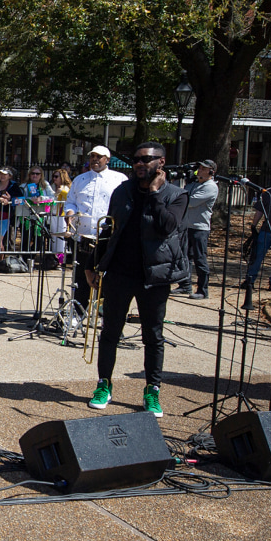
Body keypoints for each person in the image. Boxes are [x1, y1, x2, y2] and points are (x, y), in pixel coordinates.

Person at [87, 142, 189, 418]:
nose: (140, 164)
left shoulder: (176, 195)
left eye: (146, 159)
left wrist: (154, 192)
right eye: (136, 160)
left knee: (153, 336)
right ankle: (103, 384)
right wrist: (93, 263)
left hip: (154, 277)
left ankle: (152, 390)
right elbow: (109, 229)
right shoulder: (123, 191)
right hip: (119, 273)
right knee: (110, 332)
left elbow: (168, 226)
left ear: (161, 162)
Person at [65, 145, 128, 309]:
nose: (95, 159)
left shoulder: (119, 179)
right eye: (92, 156)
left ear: (107, 159)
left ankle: (104, 317)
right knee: (81, 278)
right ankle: (79, 312)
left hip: (107, 237)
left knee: (108, 279)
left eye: (99, 157)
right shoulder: (80, 179)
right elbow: (71, 201)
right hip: (84, 236)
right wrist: (70, 212)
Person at [175, 159, 219, 300]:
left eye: (203, 168)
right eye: (199, 167)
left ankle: (202, 289)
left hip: (200, 228)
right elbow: (181, 195)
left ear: (211, 171)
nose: (199, 170)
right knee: (184, 257)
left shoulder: (210, 187)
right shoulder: (194, 184)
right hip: (187, 226)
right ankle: (185, 285)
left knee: (200, 259)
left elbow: (190, 202)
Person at [0, 167, 22, 263]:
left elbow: (21, 200)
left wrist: (10, 199)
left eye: (5, 174)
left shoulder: (14, 186)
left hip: (5, 215)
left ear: (9, 176)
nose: (2, 176)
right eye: (1, 174)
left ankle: (1, 261)